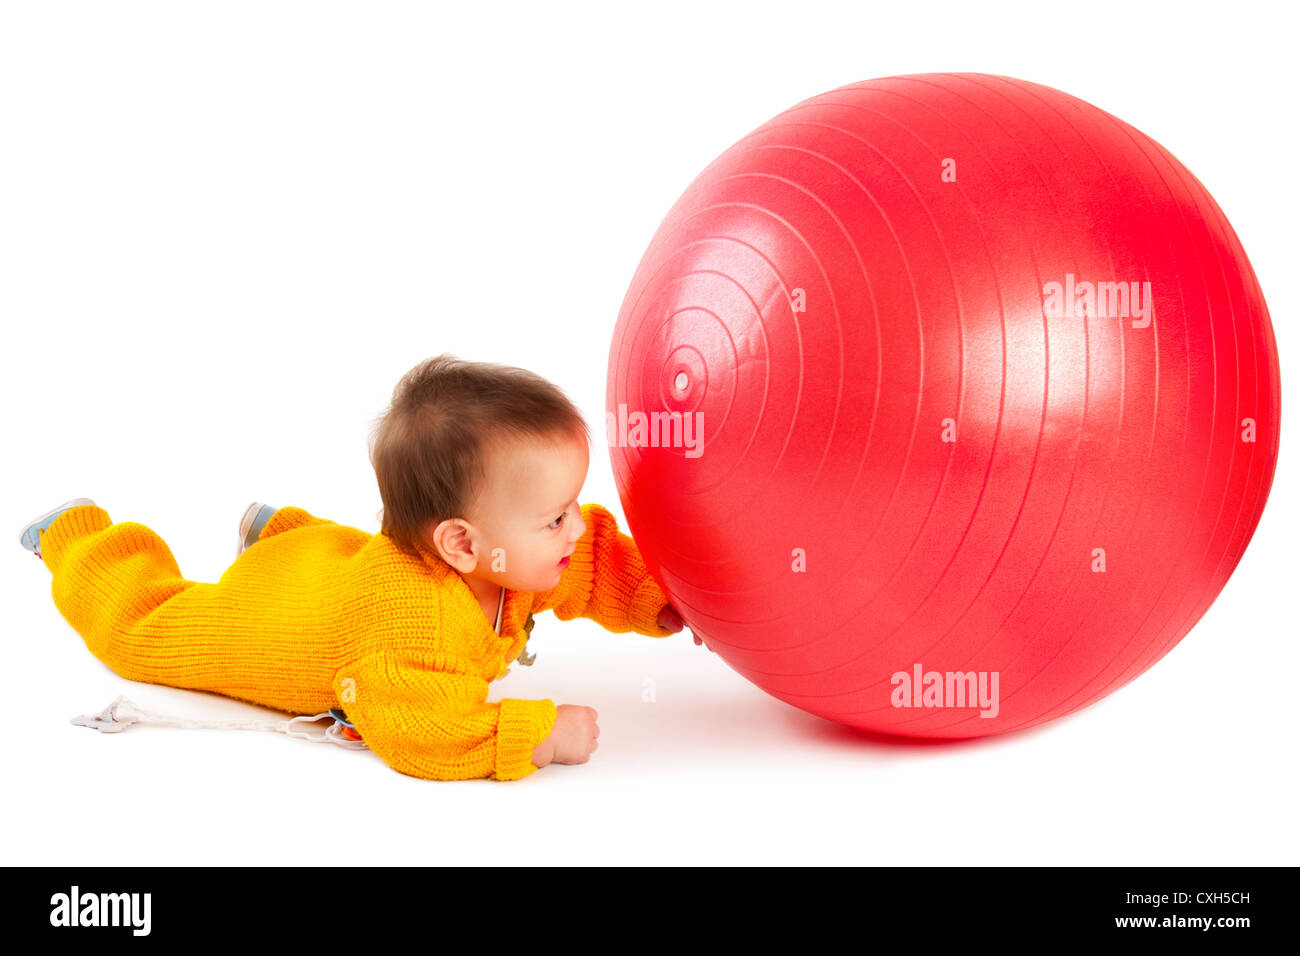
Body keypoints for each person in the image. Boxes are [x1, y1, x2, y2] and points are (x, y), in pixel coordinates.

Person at [19, 354, 692, 781]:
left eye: (572, 504)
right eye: (556, 518)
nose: (578, 526)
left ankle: (282, 536)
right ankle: (80, 541)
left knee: (348, 559)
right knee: (144, 632)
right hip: (280, 620)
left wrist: (660, 597)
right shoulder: (410, 637)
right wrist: (540, 735)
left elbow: (591, 564)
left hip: (337, 570)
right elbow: (419, 733)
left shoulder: (514, 555)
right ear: (461, 544)